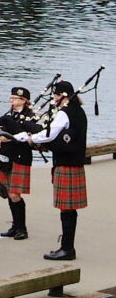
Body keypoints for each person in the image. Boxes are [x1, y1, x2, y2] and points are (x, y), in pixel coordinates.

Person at [13, 80, 87, 261]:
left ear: (62, 96)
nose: (53, 99)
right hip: (76, 163)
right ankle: (67, 247)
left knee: (66, 209)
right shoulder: (80, 112)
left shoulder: (64, 113)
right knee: (69, 208)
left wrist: (30, 138)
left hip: (65, 164)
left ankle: (67, 249)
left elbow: (49, 134)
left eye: (55, 95)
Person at [0, 86, 37, 240]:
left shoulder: (30, 117)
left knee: (15, 194)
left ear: (24, 100)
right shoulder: (7, 115)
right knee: (10, 193)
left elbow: (29, 134)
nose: (11, 101)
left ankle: (22, 228)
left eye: (15, 98)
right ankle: (15, 226)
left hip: (20, 157)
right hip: (6, 157)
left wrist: (10, 137)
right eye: (11, 98)